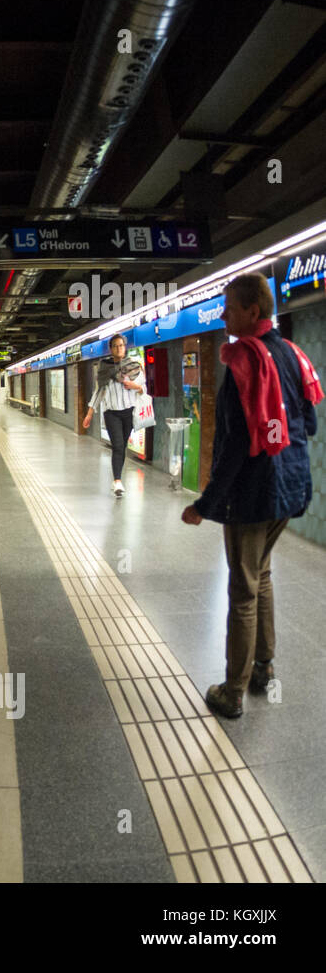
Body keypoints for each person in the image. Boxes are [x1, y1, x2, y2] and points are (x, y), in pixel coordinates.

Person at [181, 274, 321, 718]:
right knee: (261, 574)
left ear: (252, 312)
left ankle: (233, 691)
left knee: (242, 589)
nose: (223, 315)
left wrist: (205, 505)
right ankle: (264, 667)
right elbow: (310, 425)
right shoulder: (293, 354)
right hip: (292, 486)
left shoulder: (243, 359)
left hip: (254, 493)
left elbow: (235, 445)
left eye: (229, 308)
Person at [81, 333, 146, 497]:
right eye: (115, 346)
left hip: (128, 413)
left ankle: (117, 479)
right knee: (117, 445)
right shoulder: (104, 368)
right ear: (111, 349)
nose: (119, 348)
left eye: (121, 345)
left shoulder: (134, 366)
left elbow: (143, 388)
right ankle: (117, 481)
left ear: (125, 347)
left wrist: (134, 386)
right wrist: (89, 414)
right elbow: (99, 392)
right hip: (111, 414)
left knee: (121, 447)